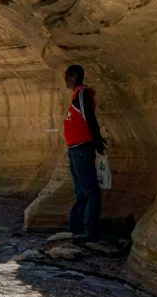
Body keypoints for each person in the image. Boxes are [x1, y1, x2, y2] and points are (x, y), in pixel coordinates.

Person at [63, 64, 106, 242]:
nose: (65, 81)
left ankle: (89, 231)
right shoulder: (78, 94)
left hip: (82, 148)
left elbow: (89, 118)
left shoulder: (82, 93)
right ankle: (76, 228)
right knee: (81, 191)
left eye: (67, 77)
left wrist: (97, 141)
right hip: (75, 149)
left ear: (71, 77)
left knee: (90, 191)